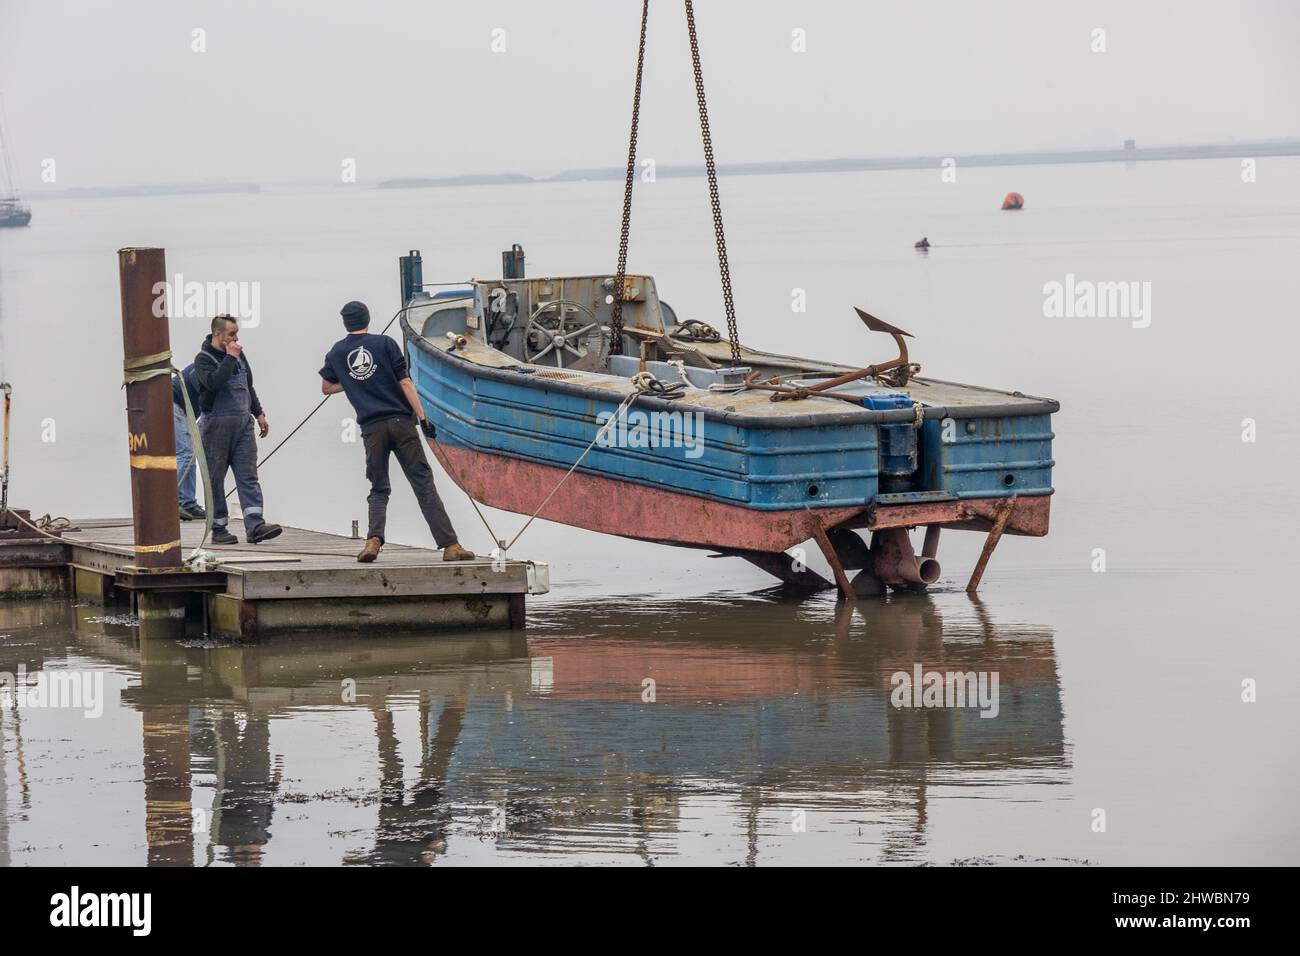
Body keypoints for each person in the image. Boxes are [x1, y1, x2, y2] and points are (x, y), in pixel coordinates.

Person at [319, 300, 474, 563]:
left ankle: (373, 541)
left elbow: (326, 387)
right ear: (367, 319)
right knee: (423, 484)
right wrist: (423, 418)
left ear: (345, 323)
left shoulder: (336, 352)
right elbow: (405, 381)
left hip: (371, 429)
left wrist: (353, 382)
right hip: (401, 423)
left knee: (379, 488)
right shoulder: (385, 344)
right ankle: (450, 546)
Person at [194, 315, 282, 545]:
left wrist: (259, 413)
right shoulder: (203, 359)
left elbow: (248, 386)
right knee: (215, 479)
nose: (236, 338)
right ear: (217, 334)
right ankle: (219, 529)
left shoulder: (239, 355)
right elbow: (213, 383)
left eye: (236, 333)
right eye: (232, 334)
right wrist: (230, 358)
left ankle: (255, 526)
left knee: (248, 475)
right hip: (215, 426)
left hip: (243, 425)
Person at [172, 363, 206, 521]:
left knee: (189, 455)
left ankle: (187, 503)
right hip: (174, 402)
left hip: (184, 410)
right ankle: (167, 500)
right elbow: (195, 379)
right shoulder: (206, 362)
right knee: (186, 453)